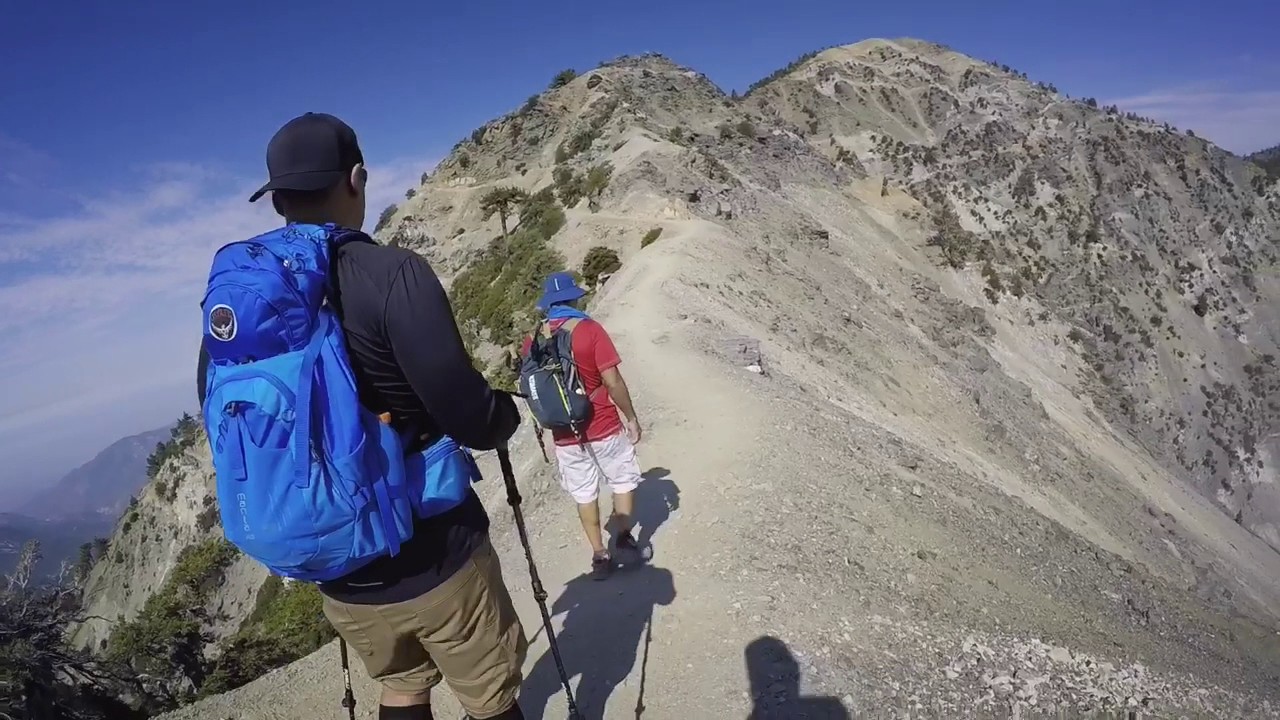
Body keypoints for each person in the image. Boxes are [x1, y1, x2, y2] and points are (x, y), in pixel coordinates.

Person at [196, 112, 528, 720]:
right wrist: (504, 415)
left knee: (402, 687)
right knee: (491, 695)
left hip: (337, 566)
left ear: (278, 202)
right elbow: (469, 412)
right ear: (357, 178)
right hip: (435, 552)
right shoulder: (393, 273)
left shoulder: (248, 306)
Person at [519, 271, 645, 580]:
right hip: (601, 424)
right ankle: (624, 539)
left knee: (584, 493)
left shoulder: (532, 339)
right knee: (622, 479)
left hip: (564, 433)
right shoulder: (590, 330)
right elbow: (612, 381)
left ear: (548, 303)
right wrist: (631, 417)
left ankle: (599, 556)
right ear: (574, 298)